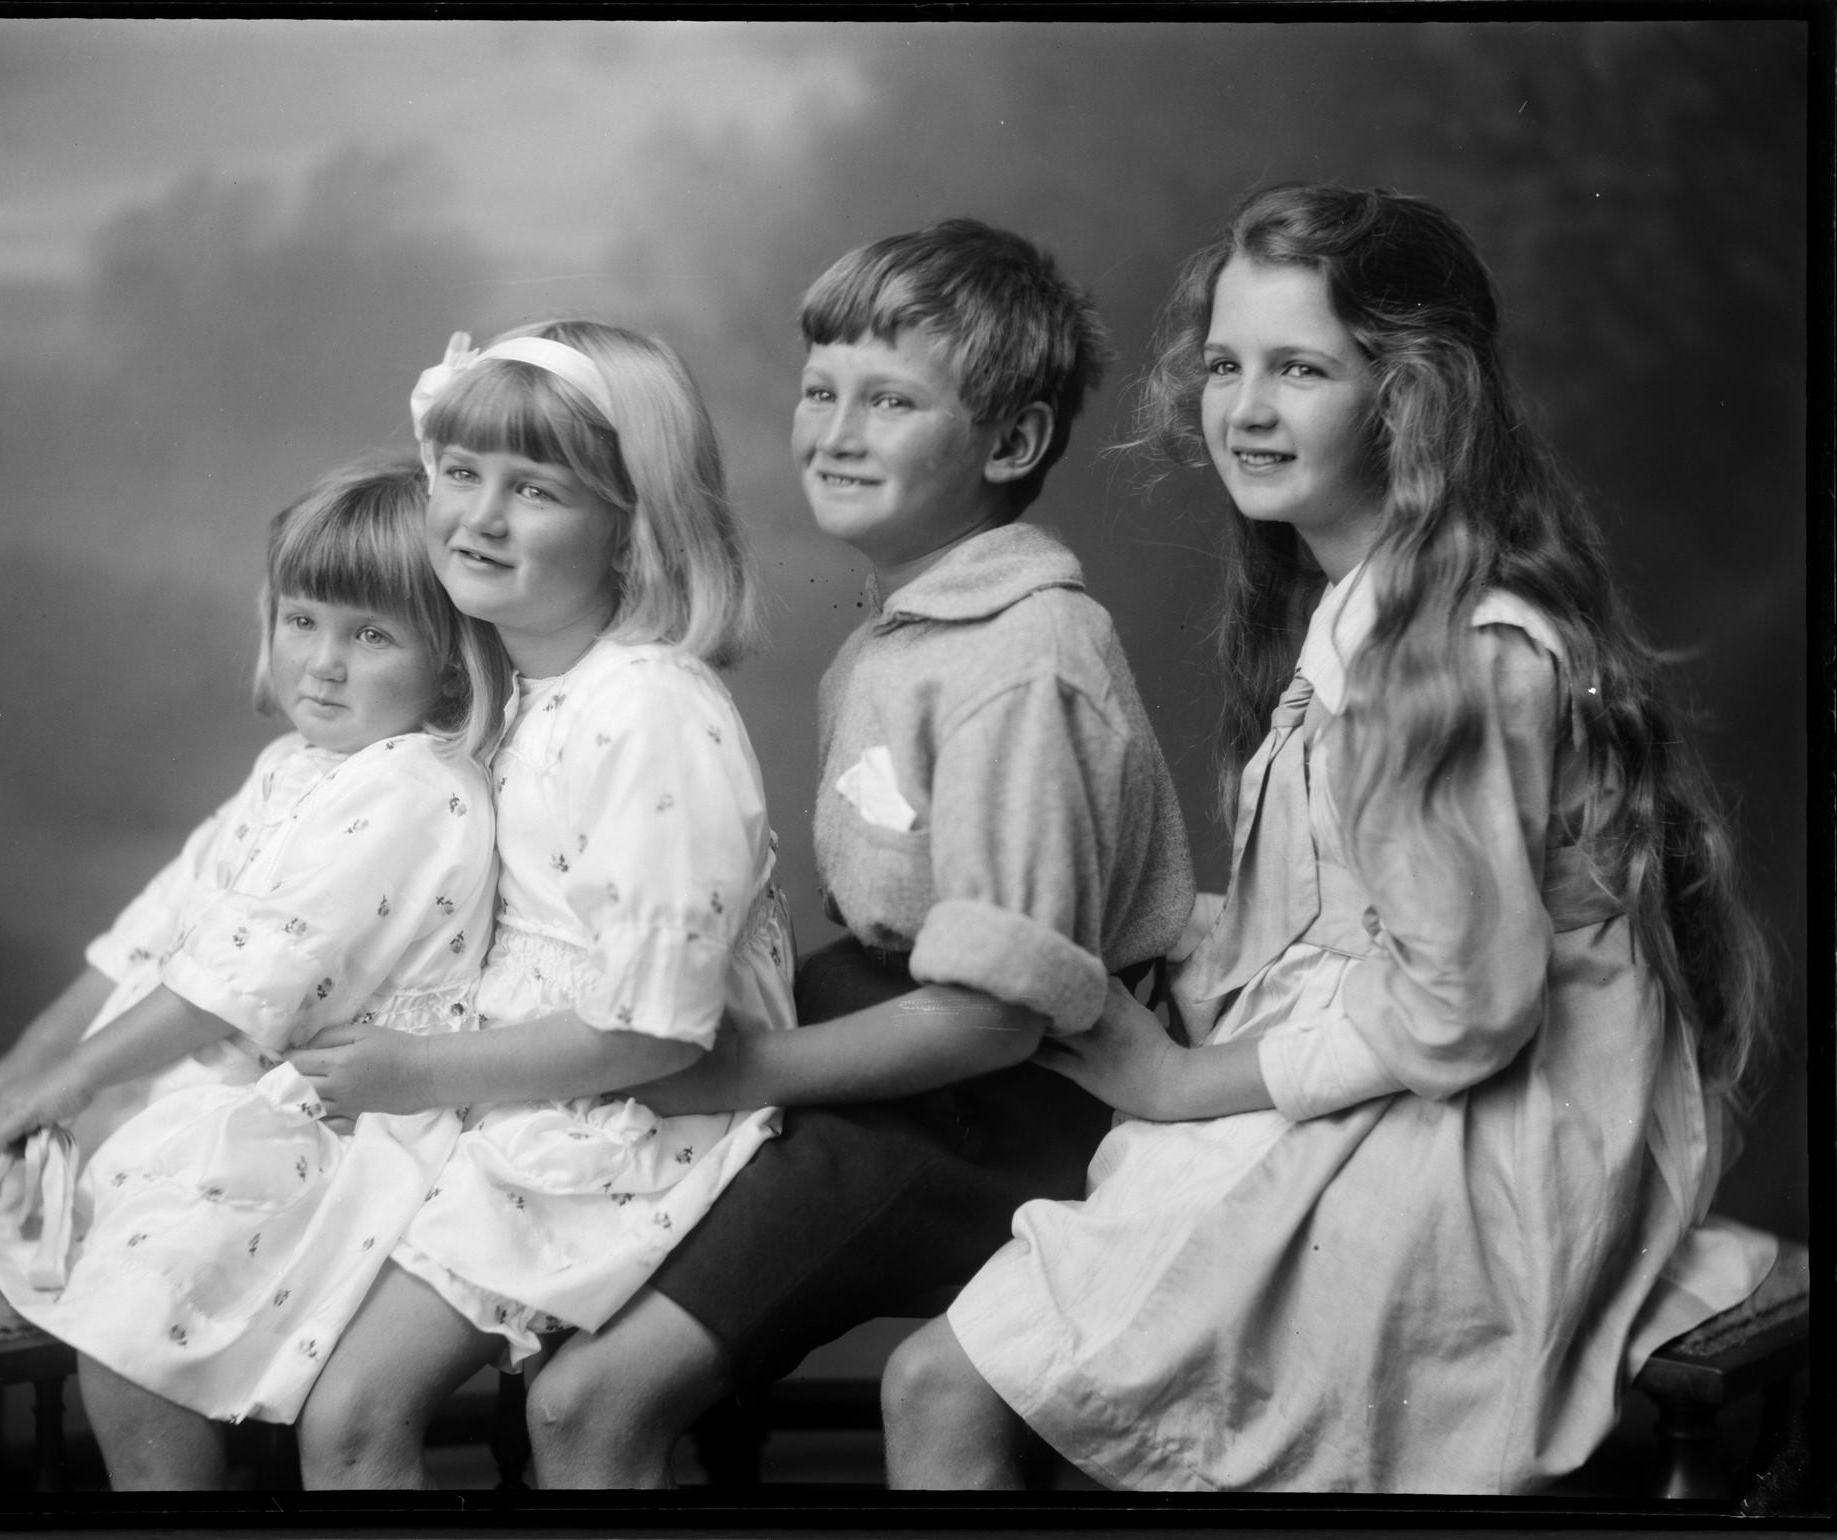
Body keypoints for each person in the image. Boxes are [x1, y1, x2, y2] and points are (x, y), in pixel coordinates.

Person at [879, 183, 1780, 1493]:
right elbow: (1347, 909)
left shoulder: (1450, 653)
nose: (1245, 407)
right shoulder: (1362, 597)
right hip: (1417, 1061)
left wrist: (1181, 1082)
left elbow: (1466, 1008)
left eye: (1300, 369)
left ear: (1410, 400)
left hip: (1483, 1123)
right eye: (1226, 365)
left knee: (941, 1384)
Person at [521, 220, 1195, 1488]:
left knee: (584, 1404)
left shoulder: (1019, 659)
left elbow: (996, 1017)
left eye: (888, 400)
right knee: (566, 1202)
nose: (834, 429)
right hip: (903, 1038)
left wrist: (742, 1072)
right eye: (821, 390)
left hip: (1011, 1102)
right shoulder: (901, 633)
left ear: (1009, 442)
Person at [0, 453, 510, 1486]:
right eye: (303, 620)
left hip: (330, 1124)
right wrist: (23, 1064)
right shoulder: (289, 769)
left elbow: (239, 977)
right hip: (212, 1087)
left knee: (129, 1342)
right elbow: (149, 940)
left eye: (370, 634)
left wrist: (70, 1082)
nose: (322, 661)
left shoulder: (415, 787)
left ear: (451, 664)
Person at [285, 321, 796, 1489]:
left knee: (355, 1418)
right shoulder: (523, 691)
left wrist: (413, 1073)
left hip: (630, 1117)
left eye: (535, 490)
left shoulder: (649, 710)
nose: (479, 517)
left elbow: (658, 1029)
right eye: (459, 475)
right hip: (516, 1092)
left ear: (631, 523)